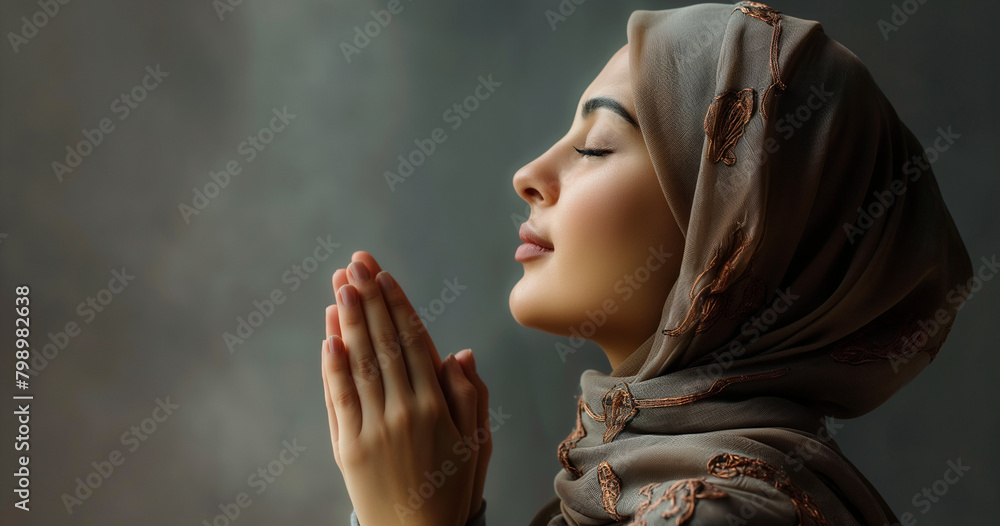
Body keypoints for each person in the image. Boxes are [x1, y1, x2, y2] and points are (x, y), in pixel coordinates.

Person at [322, 2, 973, 525]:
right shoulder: (638, 482)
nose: (528, 175)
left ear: (738, 223)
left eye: (597, 146)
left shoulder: (721, 513)